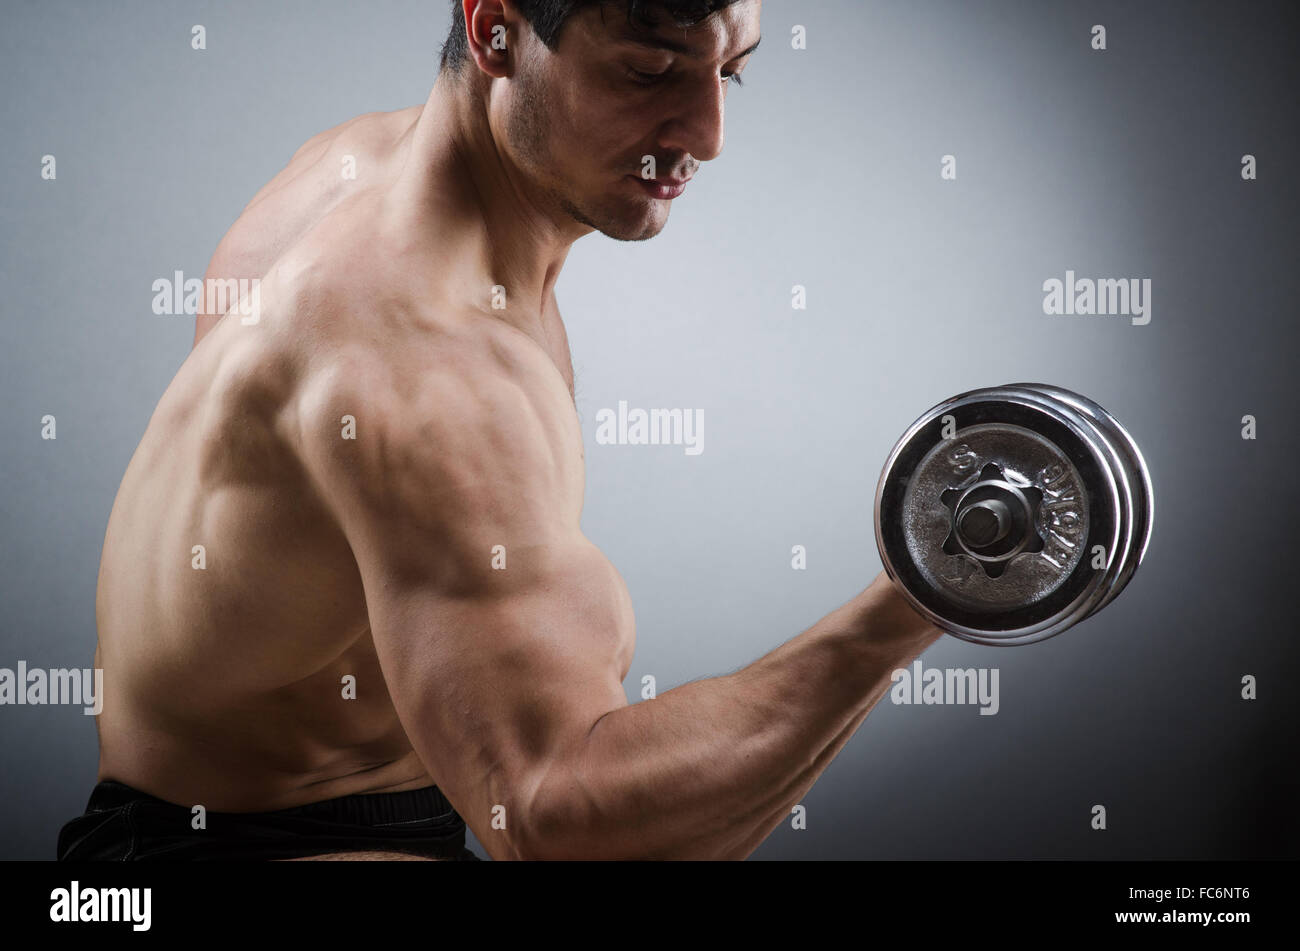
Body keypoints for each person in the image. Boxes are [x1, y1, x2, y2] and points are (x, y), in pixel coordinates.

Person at [58, 0, 941, 862]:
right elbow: (556, 816)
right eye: (649, 71)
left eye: (731, 74)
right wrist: (919, 596)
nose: (707, 134)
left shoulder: (357, 168)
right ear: (495, 32)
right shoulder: (420, 361)